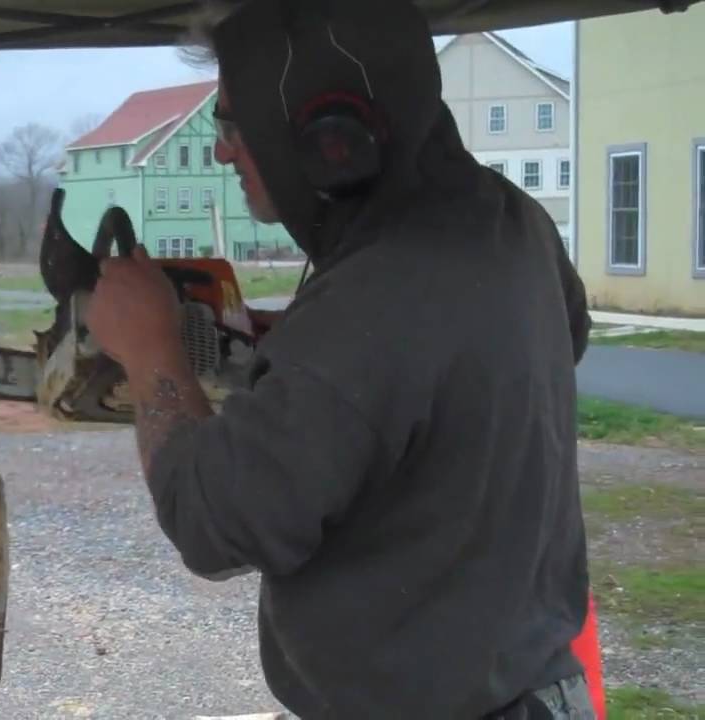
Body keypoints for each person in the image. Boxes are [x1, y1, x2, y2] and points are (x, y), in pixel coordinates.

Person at [85, 0, 598, 717]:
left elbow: (216, 522)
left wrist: (149, 347)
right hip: (534, 690)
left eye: (236, 122)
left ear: (333, 139)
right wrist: (304, 359)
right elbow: (549, 340)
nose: (222, 149)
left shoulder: (376, 294)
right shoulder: (510, 219)